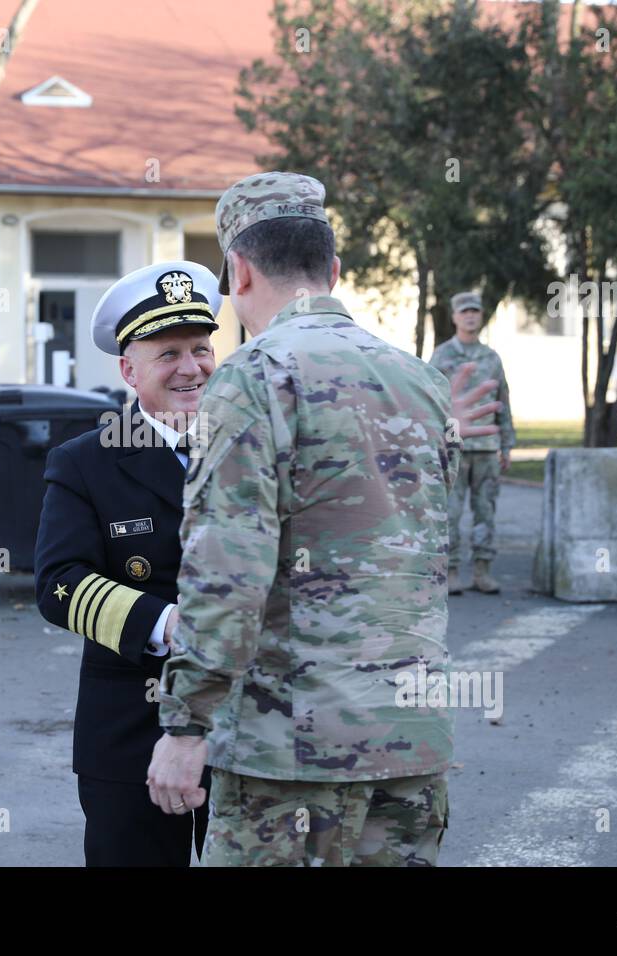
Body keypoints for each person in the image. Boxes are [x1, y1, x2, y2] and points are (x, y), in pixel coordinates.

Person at [146, 172, 501, 866]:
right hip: (411, 742)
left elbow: (228, 574)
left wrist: (185, 726)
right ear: (333, 270)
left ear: (239, 271)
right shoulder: (422, 381)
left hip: (292, 753)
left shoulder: (250, 380)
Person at [34, 260, 222, 866]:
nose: (191, 368)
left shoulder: (253, 444)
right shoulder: (84, 462)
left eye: (200, 348)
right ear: (128, 369)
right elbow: (59, 584)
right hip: (131, 725)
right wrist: (168, 625)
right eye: (168, 352)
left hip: (244, 722)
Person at [429, 291, 516, 595]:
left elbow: (502, 401)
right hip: (454, 448)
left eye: (475, 311)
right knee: (450, 512)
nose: (470, 316)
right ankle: (450, 572)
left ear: (481, 316)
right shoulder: (441, 356)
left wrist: (507, 444)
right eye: (464, 311)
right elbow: (431, 402)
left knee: (486, 511)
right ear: (453, 316)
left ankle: (482, 571)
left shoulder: (491, 358)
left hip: (487, 449)